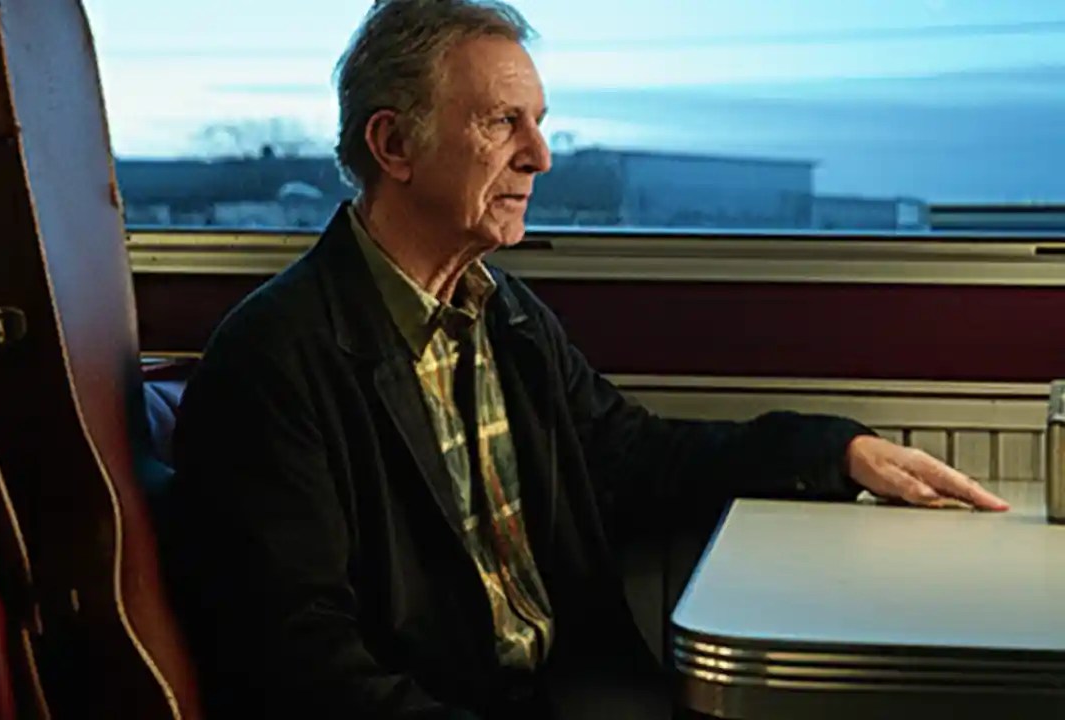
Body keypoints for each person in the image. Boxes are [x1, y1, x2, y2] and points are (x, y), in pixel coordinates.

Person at [166, 1, 1010, 718]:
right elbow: (301, 664)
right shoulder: (273, 363)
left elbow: (637, 457)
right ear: (394, 146)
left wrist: (837, 451)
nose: (541, 155)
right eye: (504, 122)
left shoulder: (509, 318)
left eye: (538, 122)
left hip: (580, 695)